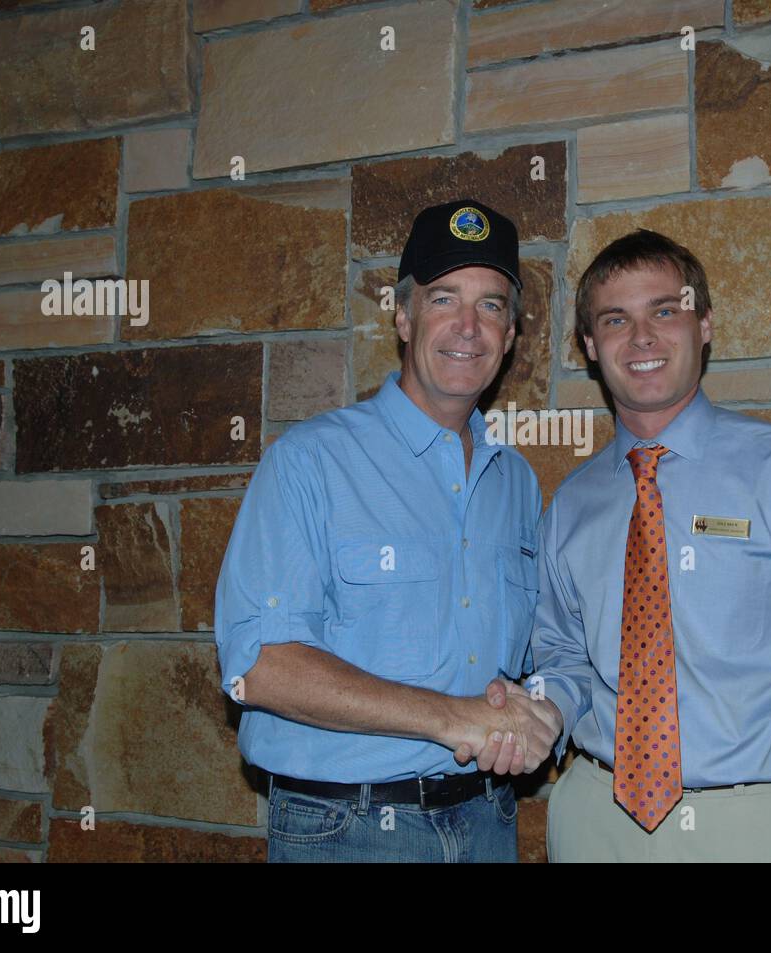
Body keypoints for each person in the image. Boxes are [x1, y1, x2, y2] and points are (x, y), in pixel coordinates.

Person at [527, 228, 771, 862]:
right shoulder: (573, 503)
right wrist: (538, 711)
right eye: (616, 319)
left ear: (704, 323)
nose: (643, 337)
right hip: (593, 823)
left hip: (758, 828)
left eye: (665, 310)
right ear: (590, 346)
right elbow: (562, 655)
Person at [214, 199, 561, 863]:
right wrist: (450, 716)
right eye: (444, 298)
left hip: (489, 821)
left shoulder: (515, 483)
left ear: (512, 333)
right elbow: (258, 667)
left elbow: (529, 659)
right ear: (403, 316)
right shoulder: (310, 461)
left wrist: (540, 709)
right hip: (350, 829)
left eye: (491, 305)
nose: (468, 325)